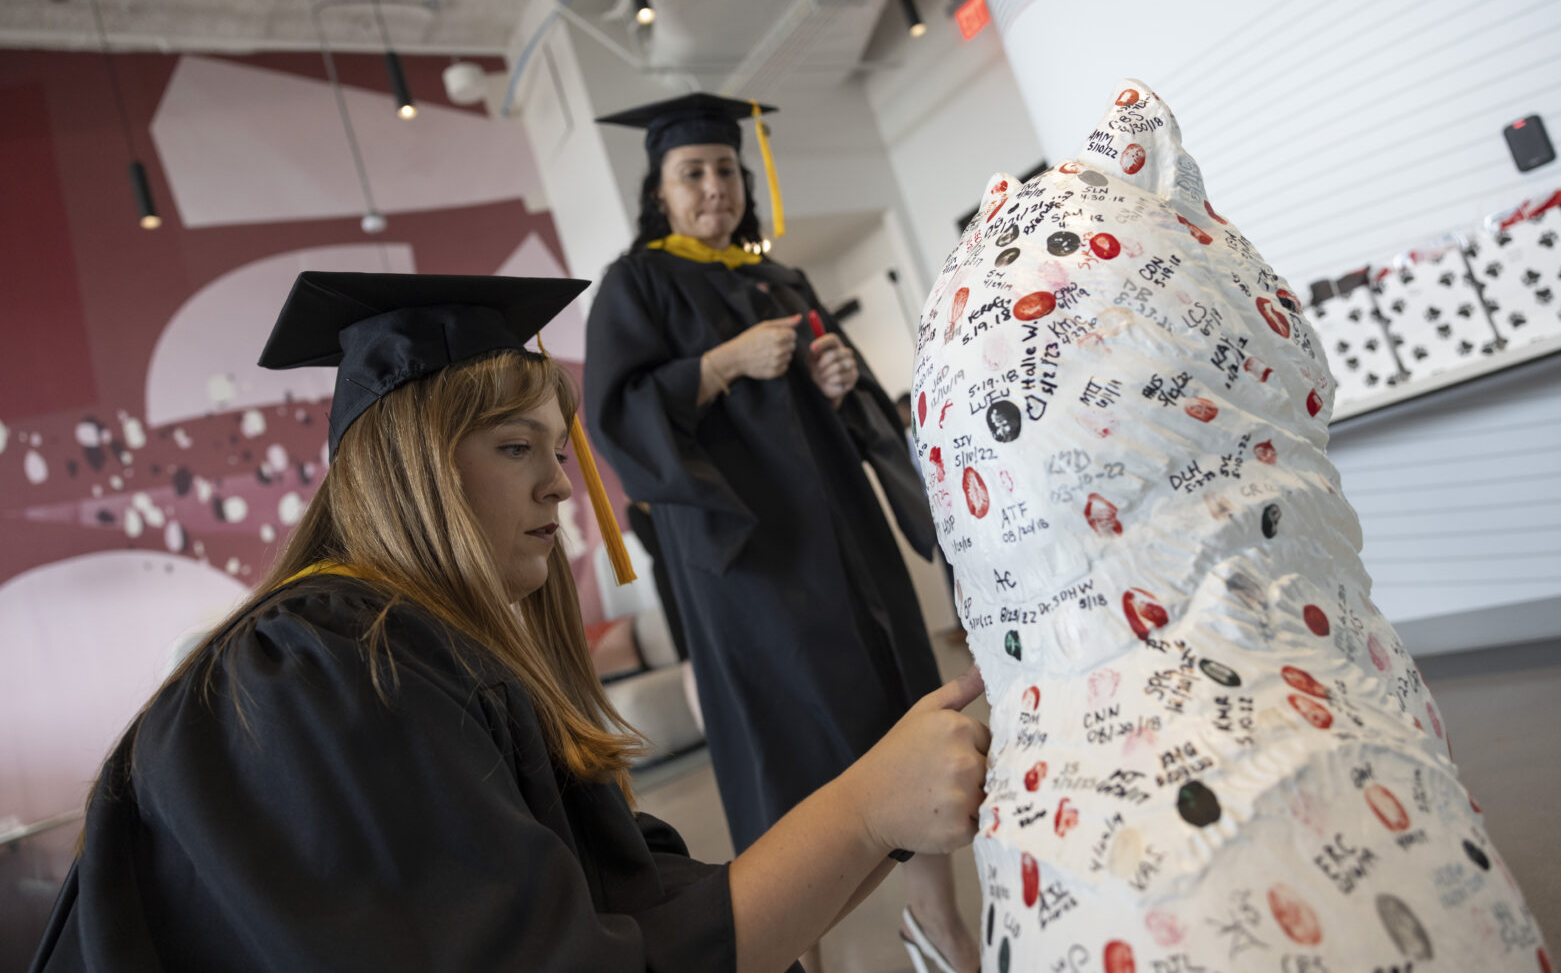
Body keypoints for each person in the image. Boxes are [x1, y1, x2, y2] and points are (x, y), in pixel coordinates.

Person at [29, 271, 990, 973]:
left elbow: (656, 910)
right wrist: (866, 807)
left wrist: (882, 814)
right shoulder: (325, 670)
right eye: (515, 444)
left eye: (555, 445)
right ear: (418, 464)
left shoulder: (430, 656)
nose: (558, 481)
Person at [586, 94, 981, 971]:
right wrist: (722, 364)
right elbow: (614, 413)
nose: (714, 187)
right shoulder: (637, 283)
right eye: (692, 173)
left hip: (840, 530)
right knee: (787, 734)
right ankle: (797, 950)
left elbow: (848, 412)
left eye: (725, 169)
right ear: (660, 189)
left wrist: (839, 380)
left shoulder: (780, 279)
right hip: (747, 558)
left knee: (890, 700)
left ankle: (936, 924)